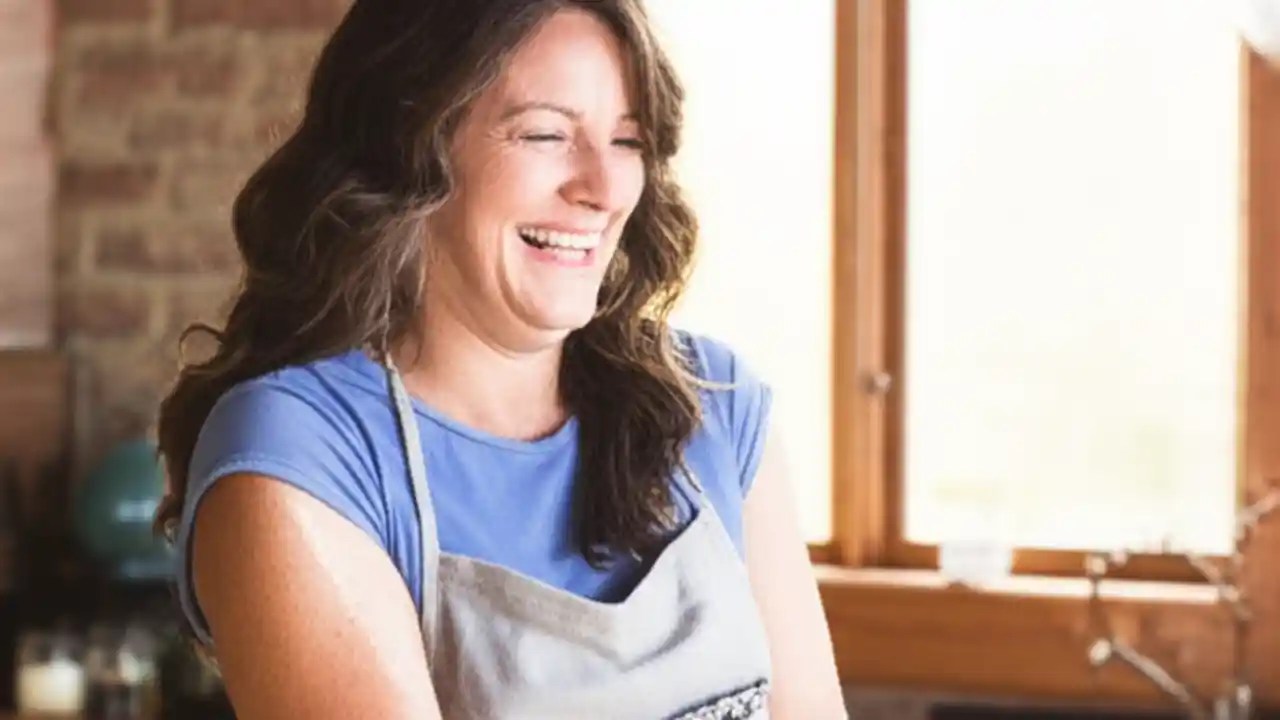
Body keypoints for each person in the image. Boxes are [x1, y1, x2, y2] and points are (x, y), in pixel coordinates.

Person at [154, 1, 846, 718]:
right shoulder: (303, 454)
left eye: (628, 141)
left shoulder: (717, 406)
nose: (604, 191)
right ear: (408, 149)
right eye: (546, 134)